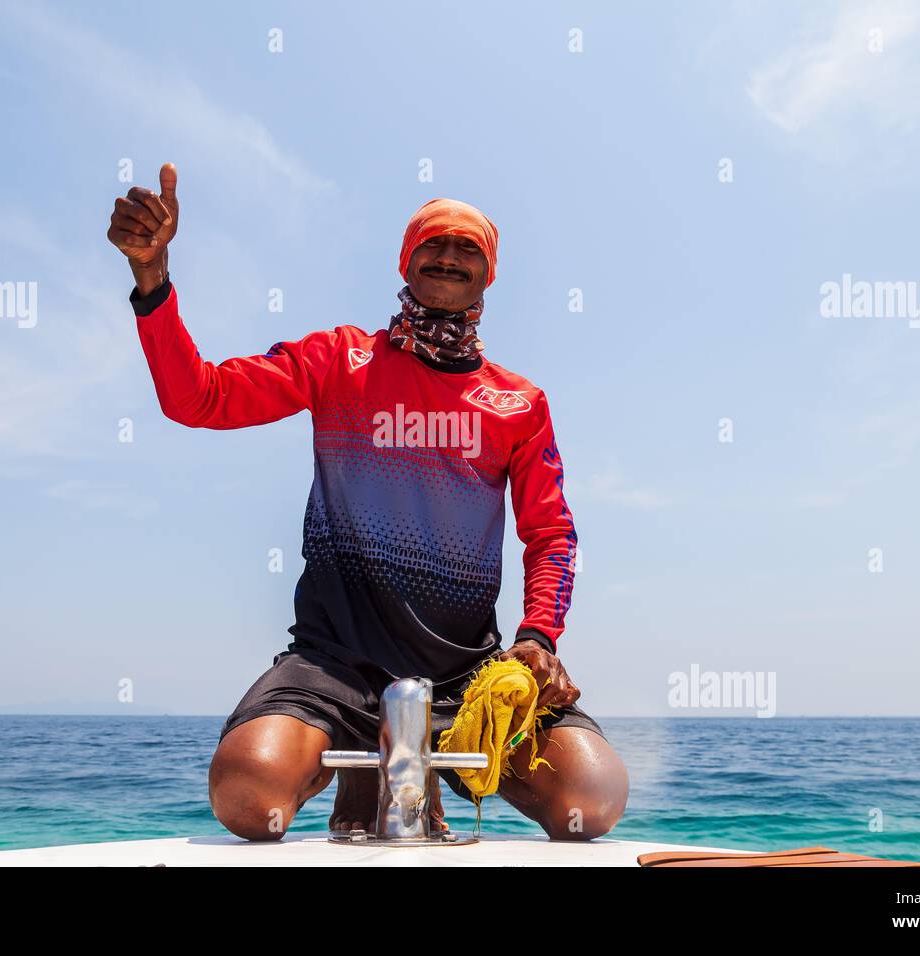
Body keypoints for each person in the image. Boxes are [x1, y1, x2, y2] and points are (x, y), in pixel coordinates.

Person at [108, 164, 629, 840]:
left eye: (467, 247)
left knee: (591, 799)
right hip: (335, 660)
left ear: (489, 273)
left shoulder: (519, 404)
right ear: (406, 262)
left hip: (467, 672)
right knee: (247, 795)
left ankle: (415, 753)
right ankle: (365, 761)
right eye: (432, 244)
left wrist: (536, 639)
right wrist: (152, 281)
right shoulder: (338, 359)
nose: (448, 255)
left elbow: (551, 534)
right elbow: (197, 398)